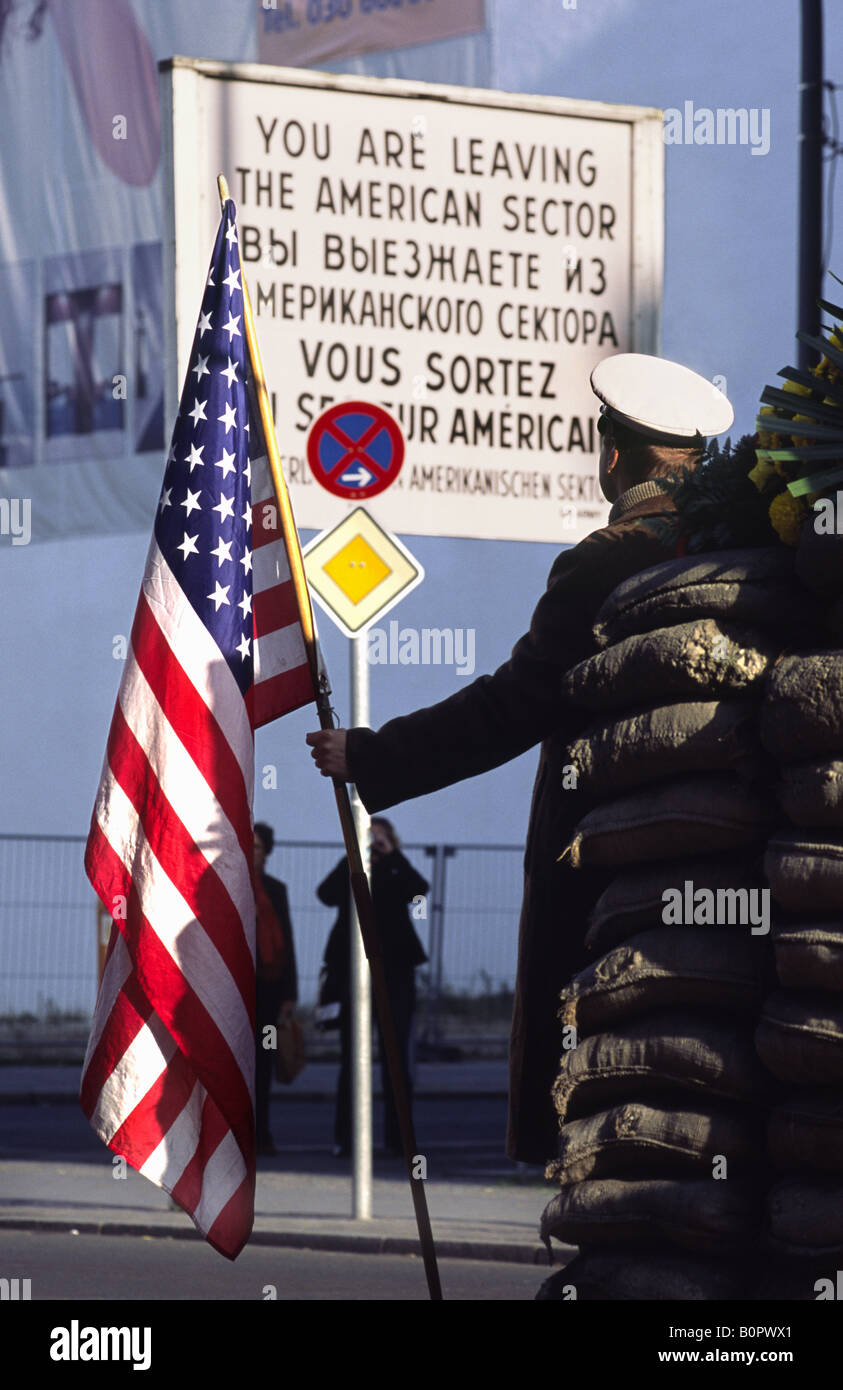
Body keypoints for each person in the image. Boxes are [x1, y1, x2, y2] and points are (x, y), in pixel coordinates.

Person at [306, 354, 734, 1166]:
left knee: (593, 1062)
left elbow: (512, 706)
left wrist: (370, 753)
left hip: (606, 857)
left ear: (612, 453)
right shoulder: (735, 547)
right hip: (723, 855)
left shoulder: (607, 558)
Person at [317, 816, 429, 1157]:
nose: (375, 844)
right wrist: (355, 856)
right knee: (353, 1059)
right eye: (370, 838)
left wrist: (392, 855)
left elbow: (419, 890)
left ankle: (399, 1139)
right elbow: (326, 894)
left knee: (396, 1060)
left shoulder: (396, 871)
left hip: (395, 973)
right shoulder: (352, 870)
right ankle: (347, 1140)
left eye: (381, 839)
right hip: (353, 971)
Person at [253, 821, 298, 1157]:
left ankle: (261, 1131)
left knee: (264, 1064)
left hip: (268, 990)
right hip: (239, 990)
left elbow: (287, 943)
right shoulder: (229, 886)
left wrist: (289, 995)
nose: (252, 853)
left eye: (257, 847)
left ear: (266, 852)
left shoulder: (276, 890)